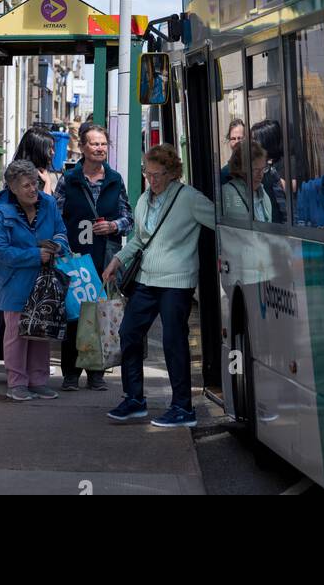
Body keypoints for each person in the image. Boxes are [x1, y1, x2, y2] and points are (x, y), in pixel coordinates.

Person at [103, 144, 216, 428]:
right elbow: (140, 240)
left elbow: (220, 221)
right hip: (146, 280)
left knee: (173, 341)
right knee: (129, 332)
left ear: (172, 173)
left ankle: (182, 408)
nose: (151, 180)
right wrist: (117, 259)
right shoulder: (144, 200)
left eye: (158, 174)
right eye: (147, 174)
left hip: (177, 282)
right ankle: (134, 399)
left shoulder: (188, 198)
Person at [54, 122, 131, 390]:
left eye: (102, 144)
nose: (99, 148)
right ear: (83, 148)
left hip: (105, 258)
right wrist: (62, 247)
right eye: (93, 144)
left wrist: (113, 226)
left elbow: (128, 218)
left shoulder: (115, 179)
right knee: (75, 316)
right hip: (75, 259)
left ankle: (96, 373)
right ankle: (71, 374)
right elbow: (56, 217)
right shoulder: (69, 180)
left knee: (101, 315)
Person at [0, 159, 70, 401]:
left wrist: (58, 245)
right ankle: (17, 383)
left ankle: (39, 381)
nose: (33, 189)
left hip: (45, 279)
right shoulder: (3, 212)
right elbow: (0, 250)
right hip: (13, 281)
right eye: (27, 185)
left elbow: (61, 231)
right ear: (12, 188)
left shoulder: (48, 203)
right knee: (16, 334)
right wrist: (35, 255)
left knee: (40, 331)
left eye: (35, 183)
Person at [219, 139, 271, 222]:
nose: (260, 175)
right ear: (241, 169)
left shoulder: (263, 193)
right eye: (256, 170)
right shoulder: (228, 192)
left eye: (263, 169)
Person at [13, 125, 58, 195]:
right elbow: (46, 204)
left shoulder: (38, 173)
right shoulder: (27, 179)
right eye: (49, 149)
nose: (53, 152)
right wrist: (47, 183)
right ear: (37, 151)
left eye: (53, 148)